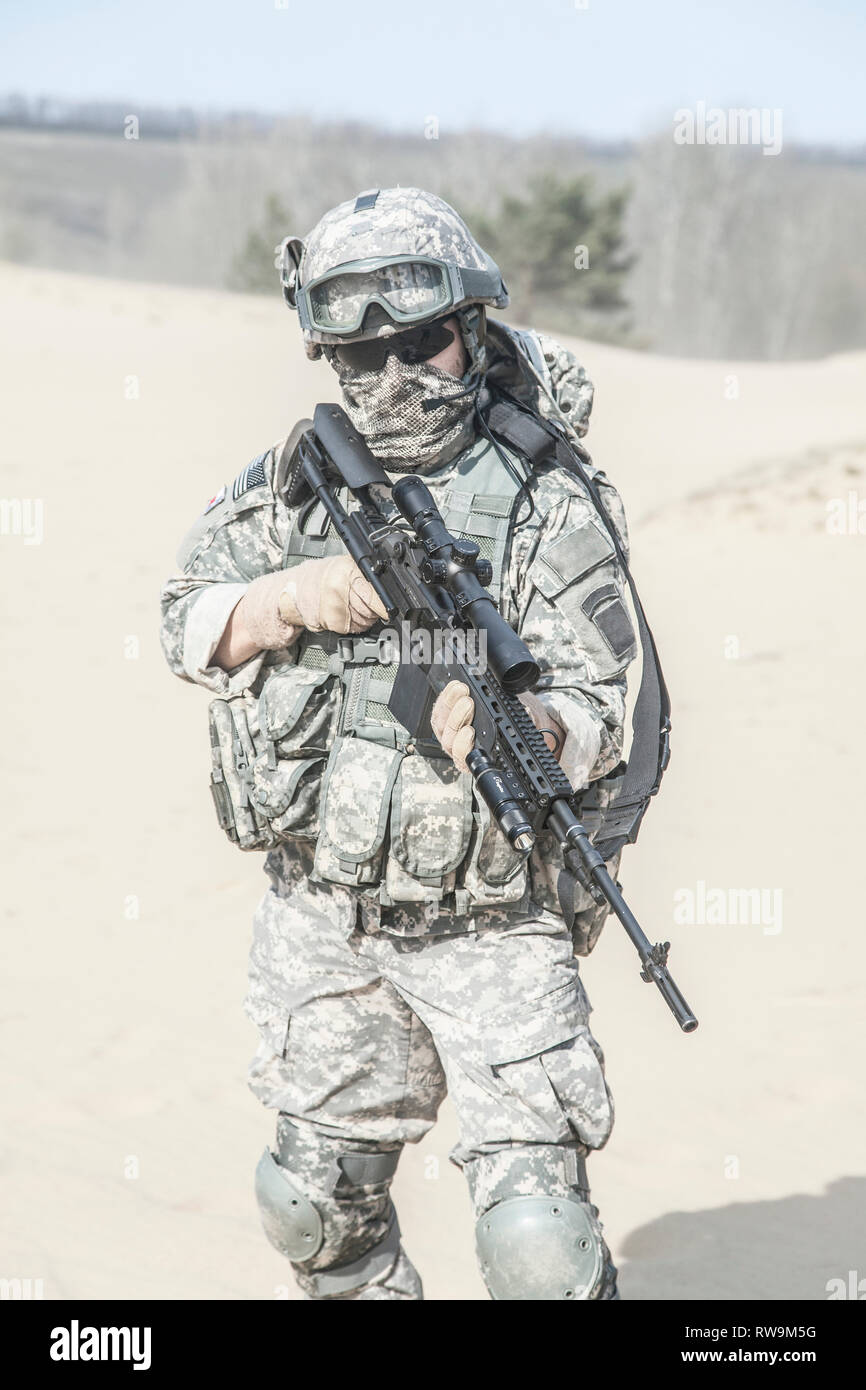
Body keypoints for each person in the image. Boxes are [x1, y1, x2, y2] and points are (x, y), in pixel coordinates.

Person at [159, 187, 639, 1300]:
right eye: (358, 358)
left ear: (469, 326)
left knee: (536, 1246)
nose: (393, 381)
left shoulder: (541, 497)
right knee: (312, 1207)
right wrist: (291, 597)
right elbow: (183, 616)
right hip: (323, 918)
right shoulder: (291, 484)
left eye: (420, 345)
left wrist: (539, 727)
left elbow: (606, 699)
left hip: (494, 923)